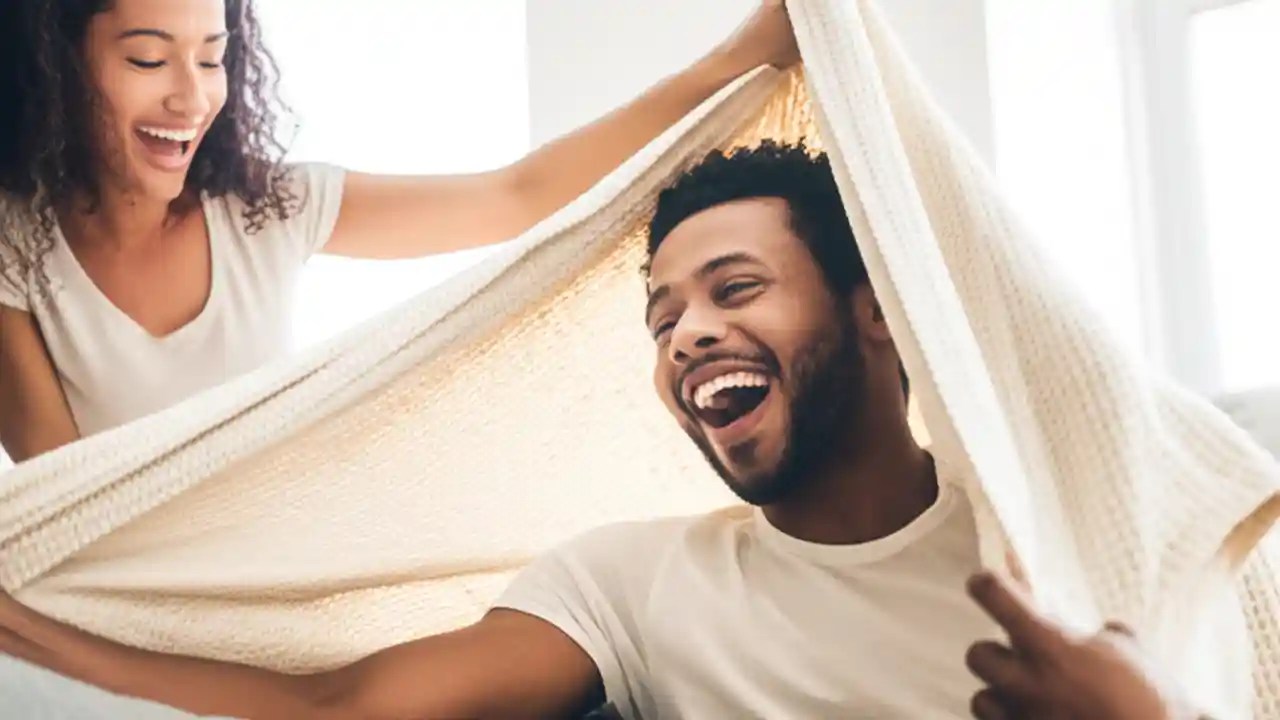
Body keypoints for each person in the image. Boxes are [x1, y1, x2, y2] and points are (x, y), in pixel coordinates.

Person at [0, 144, 1215, 718]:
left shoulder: (1055, 553)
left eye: (734, 292)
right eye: (660, 315)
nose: (684, 336)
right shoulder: (631, 586)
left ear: (873, 313)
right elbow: (353, 710)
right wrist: (60, 642)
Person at [0, 0, 799, 463]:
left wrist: (738, 58)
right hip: (125, 625)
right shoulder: (15, 245)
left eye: (212, 59)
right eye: (147, 61)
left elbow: (517, 196)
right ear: (58, 66)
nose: (191, 97)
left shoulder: (266, 210)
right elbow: (62, 500)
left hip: (277, 562)